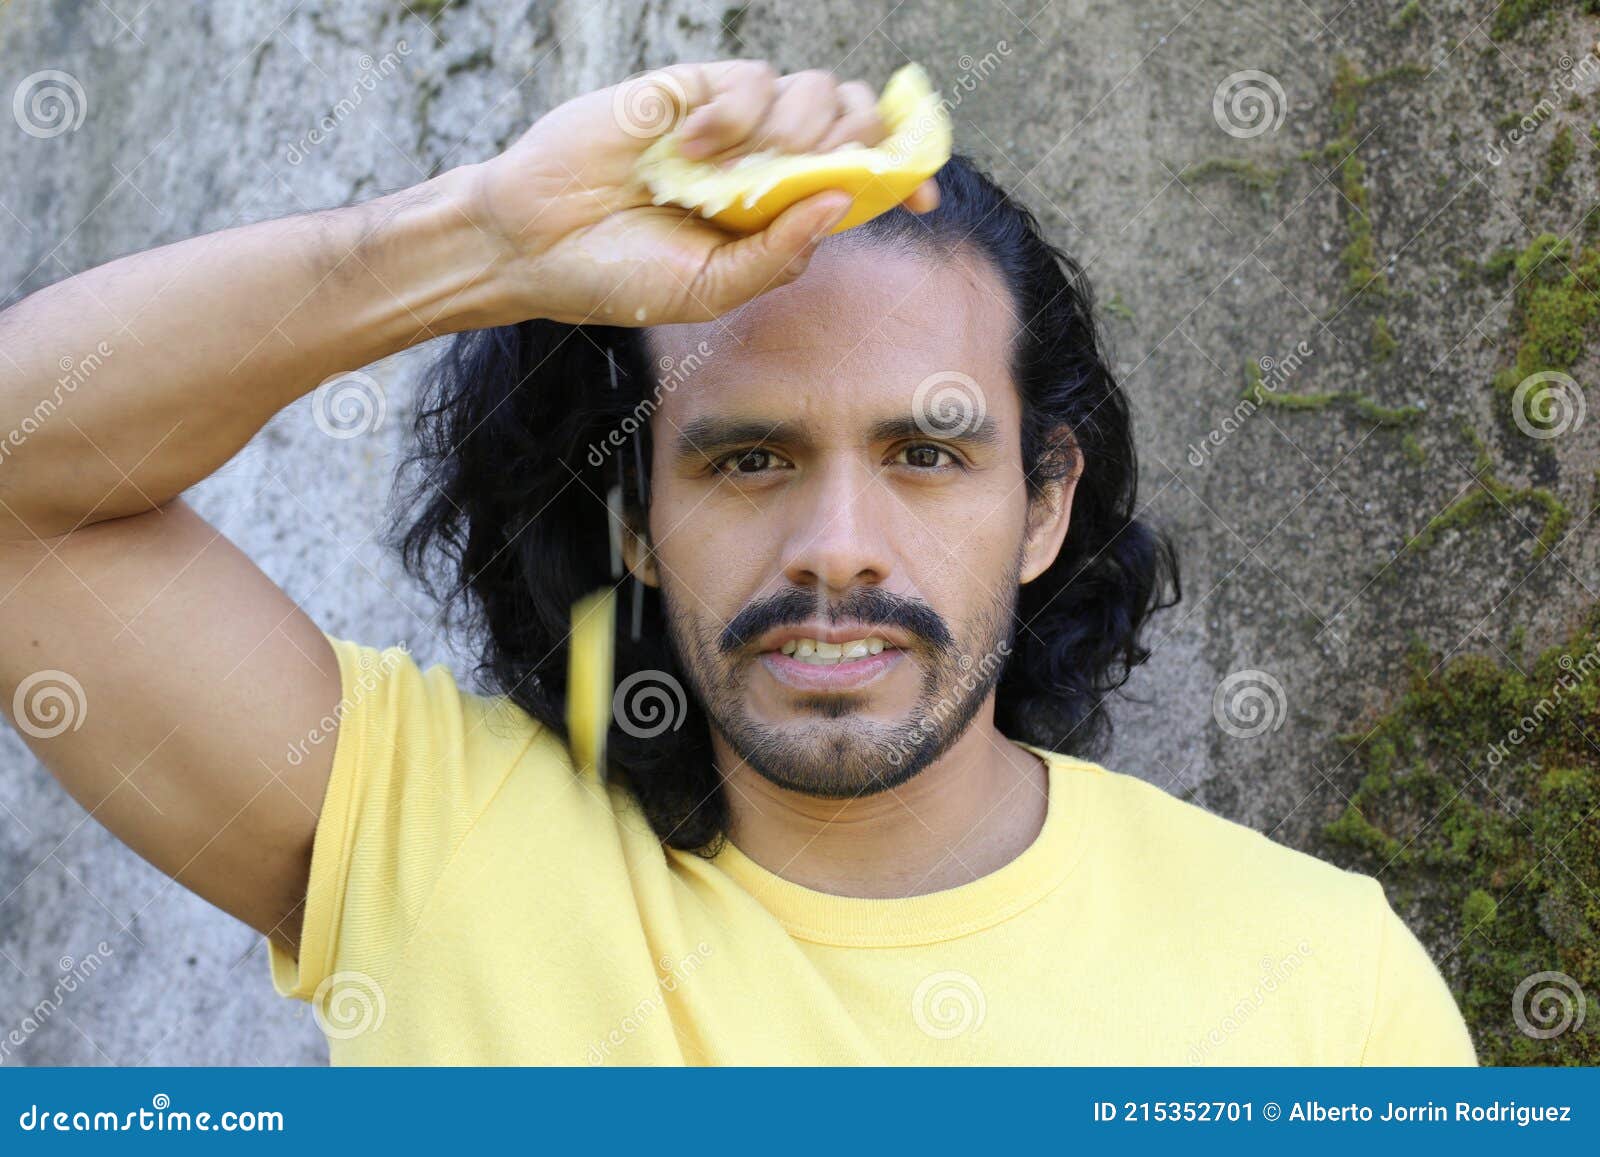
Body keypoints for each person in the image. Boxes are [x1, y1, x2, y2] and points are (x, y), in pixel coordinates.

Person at [0, 60, 1475, 1065]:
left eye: (925, 454)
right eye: (748, 457)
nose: (837, 549)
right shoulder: (420, 833)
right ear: (637, 516)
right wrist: (486, 240)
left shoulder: (1321, 986)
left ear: (1042, 505)